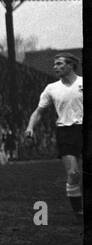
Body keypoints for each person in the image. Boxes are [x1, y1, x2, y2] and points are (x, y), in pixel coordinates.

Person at [24, 54, 83, 215]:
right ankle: (78, 211)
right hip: (66, 132)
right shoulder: (51, 88)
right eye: (54, 64)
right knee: (73, 173)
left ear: (70, 65)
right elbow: (39, 112)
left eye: (59, 64)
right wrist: (30, 127)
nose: (55, 67)